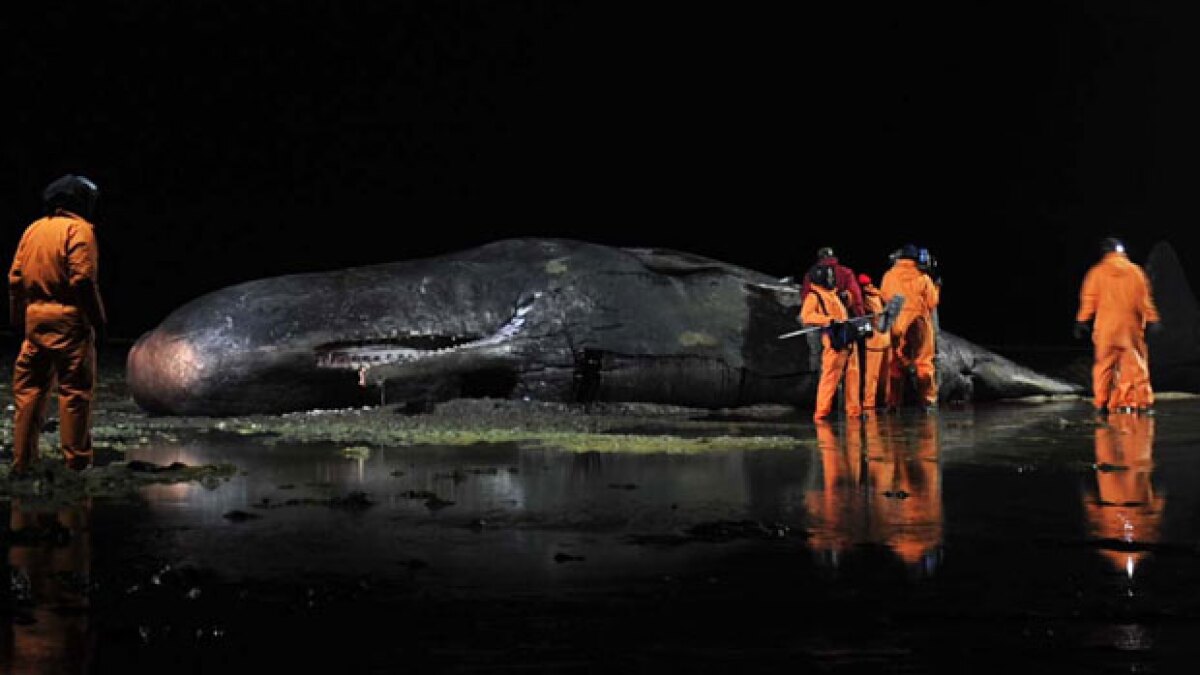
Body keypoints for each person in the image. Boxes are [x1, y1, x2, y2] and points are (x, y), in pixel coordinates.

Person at [8, 174, 107, 475]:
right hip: (69, 321)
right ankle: (76, 463)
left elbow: (15, 280)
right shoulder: (79, 231)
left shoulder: (33, 230)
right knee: (74, 393)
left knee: (29, 392)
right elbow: (82, 280)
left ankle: (23, 462)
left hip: (34, 321)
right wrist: (98, 320)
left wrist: (18, 321)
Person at [1074, 237, 1160, 415]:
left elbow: (1089, 300)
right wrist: (1153, 319)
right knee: (1135, 365)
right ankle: (1139, 403)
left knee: (1104, 367)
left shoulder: (1096, 273)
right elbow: (1144, 300)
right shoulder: (1136, 272)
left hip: (1106, 329)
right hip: (1130, 328)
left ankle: (1102, 404)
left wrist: (1081, 321)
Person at [880, 243, 940, 411]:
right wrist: (937, 286)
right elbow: (932, 302)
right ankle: (927, 401)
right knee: (924, 364)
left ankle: (893, 403)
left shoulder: (889, 275)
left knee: (896, 365)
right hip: (919, 323)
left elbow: (884, 295)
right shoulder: (923, 278)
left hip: (896, 323)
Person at [799, 264, 862, 421]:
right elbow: (806, 316)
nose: (832, 280)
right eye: (829, 277)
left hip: (847, 337)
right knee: (830, 379)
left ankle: (854, 412)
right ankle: (821, 413)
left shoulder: (832, 294)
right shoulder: (814, 296)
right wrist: (828, 320)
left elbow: (841, 310)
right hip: (834, 341)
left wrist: (847, 298)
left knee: (853, 377)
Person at [857, 273, 890, 409]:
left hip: (874, 341)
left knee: (872, 376)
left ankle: (869, 404)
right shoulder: (879, 294)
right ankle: (888, 402)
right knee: (885, 376)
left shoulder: (863, 297)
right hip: (886, 339)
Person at [801, 246, 864, 317]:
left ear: (819, 258)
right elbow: (856, 294)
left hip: (823, 318)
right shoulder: (845, 272)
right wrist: (860, 314)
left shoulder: (810, 275)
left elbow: (805, 297)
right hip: (843, 314)